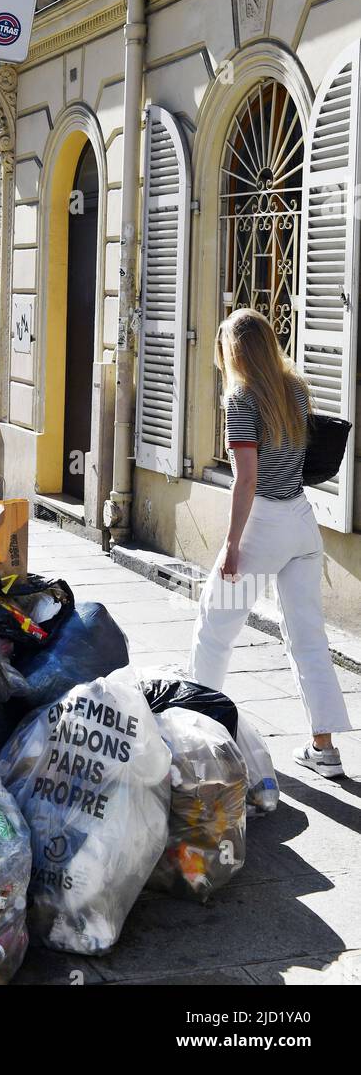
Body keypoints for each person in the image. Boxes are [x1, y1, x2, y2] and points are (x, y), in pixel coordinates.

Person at [188, 308, 351, 779]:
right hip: (303, 522)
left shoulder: (241, 399)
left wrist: (233, 544)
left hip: (262, 524)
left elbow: (246, 481)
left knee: (214, 628)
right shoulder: (295, 390)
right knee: (308, 638)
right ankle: (325, 749)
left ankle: (195, 731)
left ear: (232, 351)